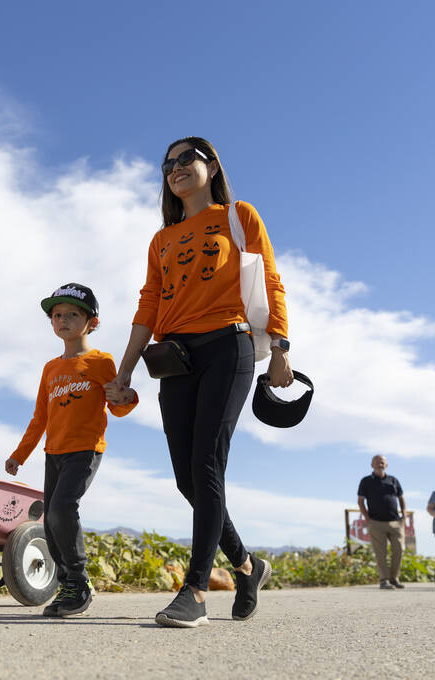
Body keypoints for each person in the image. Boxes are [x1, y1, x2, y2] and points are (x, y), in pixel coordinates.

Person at [105, 136, 287, 628]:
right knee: (188, 478)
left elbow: (269, 278)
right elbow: (148, 305)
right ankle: (248, 567)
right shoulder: (161, 241)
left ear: (212, 166)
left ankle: (197, 592)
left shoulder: (238, 215)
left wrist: (281, 348)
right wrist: (124, 370)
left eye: (188, 158)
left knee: (207, 463)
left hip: (230, 344)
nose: (176, 167)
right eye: (168, 163)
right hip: (175, 356)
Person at [5, 283, 138, 617]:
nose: (62, 320)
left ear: (91, 321)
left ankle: (78, 580)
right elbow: (40, 418)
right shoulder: (50, 369)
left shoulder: (100, 362)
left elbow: (117, 405)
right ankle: (68, 584)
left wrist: (127, 397)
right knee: (50, 521)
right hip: (55, 452)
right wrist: (20, 455)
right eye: (57, 315)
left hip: (86, 449)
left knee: (63, 509)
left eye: (72, 314)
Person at [357, 455, 407, 590]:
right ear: (372, 465)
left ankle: (394, 578)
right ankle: (384, 580)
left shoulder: (393, 480)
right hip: (376, 522)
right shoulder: (366, 481)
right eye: (377, 462)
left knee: (399, 549)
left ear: (386, 465)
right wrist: (367, 518)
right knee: (381, 553)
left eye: (383, 462)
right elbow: (361, 501)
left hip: (395, 522)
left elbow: (401, 498)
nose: (380, 464)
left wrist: (404, 514)